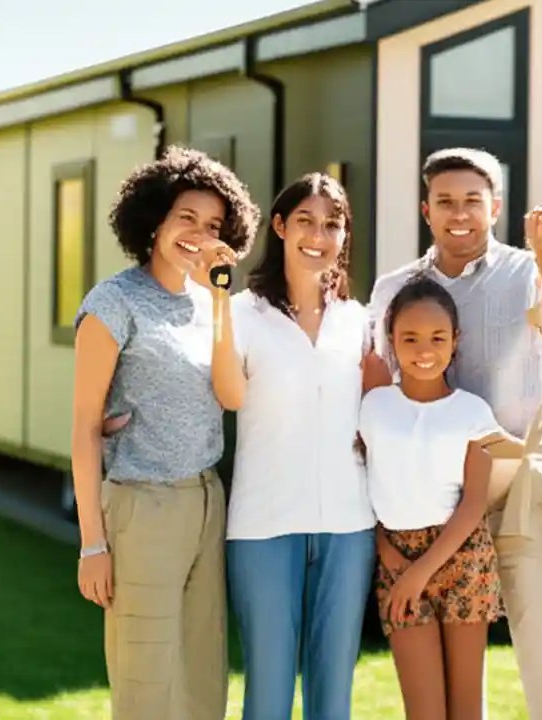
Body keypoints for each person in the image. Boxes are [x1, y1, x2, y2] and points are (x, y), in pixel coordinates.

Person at [368, 147, 542, 719]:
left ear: (494, 206)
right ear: (426, 209)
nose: (459, 213)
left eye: (472, 201)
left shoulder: (531, 274)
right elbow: (376, 394)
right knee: (449, 694)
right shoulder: (392, 290)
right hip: (428, 511)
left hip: (516, 493)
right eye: (445, 201)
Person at [71, 146, 260, 720]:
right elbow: (83, 429)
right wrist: (92, 544)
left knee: (202, 680)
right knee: (146, 684)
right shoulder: (114, 303)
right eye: (187, 219)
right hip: (141, 507)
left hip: (207, 500)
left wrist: (223, 301)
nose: (200, 236)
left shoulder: (212, 303)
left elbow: (233, 397)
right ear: (153, 220)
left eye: (213, 227)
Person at [224, 172, 378, 720]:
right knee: (267, 689)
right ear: (282, 227)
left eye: (333, 224)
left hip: (348, 521)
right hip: (263, 524)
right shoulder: (240, 315)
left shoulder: (361, 323)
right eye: (307, 221)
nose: (320, 235)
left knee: (332, 693)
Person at [359, 274, 519, 720]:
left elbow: (473, 504)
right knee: (424, 711)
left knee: (465, 709)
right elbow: (360, 485)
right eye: (409, 338)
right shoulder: (373, 407)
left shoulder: (472, 412)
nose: (424, 350)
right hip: (398, 557)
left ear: (455, 341)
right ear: (391, 341)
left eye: (437, 337)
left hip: (463, 557)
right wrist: (390, 557)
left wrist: (421, 573)